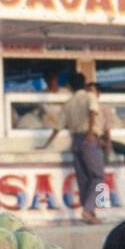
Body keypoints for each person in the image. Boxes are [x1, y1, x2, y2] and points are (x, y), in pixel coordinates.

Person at [42, 72, 103, 225]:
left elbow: (58, 126)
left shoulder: (68, 102)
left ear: (70, 86)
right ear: (84, 83)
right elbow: (92, 112)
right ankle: (88, 210)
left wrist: (45, 145)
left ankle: (89, 212)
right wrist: (90, 133)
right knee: (97, 177)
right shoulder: (90, 96)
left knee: (83, 178)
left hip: (75, 140)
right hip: (88, 139)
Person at [88, 81, 125, 184]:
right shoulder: (85, 109)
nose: (90, 94)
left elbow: (107, 128)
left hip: (102, 138)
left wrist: (108, 142)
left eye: (92, 91)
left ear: (98, 93)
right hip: (90, 139)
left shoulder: (104, 108)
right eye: (88, 92)